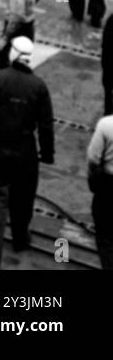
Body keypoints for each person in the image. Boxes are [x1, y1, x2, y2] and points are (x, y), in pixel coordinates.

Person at [0, 36, 55, 269]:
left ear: (13, 54)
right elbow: (46, 124)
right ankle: (20, 239)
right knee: (23, 198)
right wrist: (47, 153)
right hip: (25, 151)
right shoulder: (39, 86)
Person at [88, 110, 113, 269]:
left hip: (109, 187)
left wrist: (94, 182)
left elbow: (93, 158)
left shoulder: (106, 125)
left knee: (106, 238)